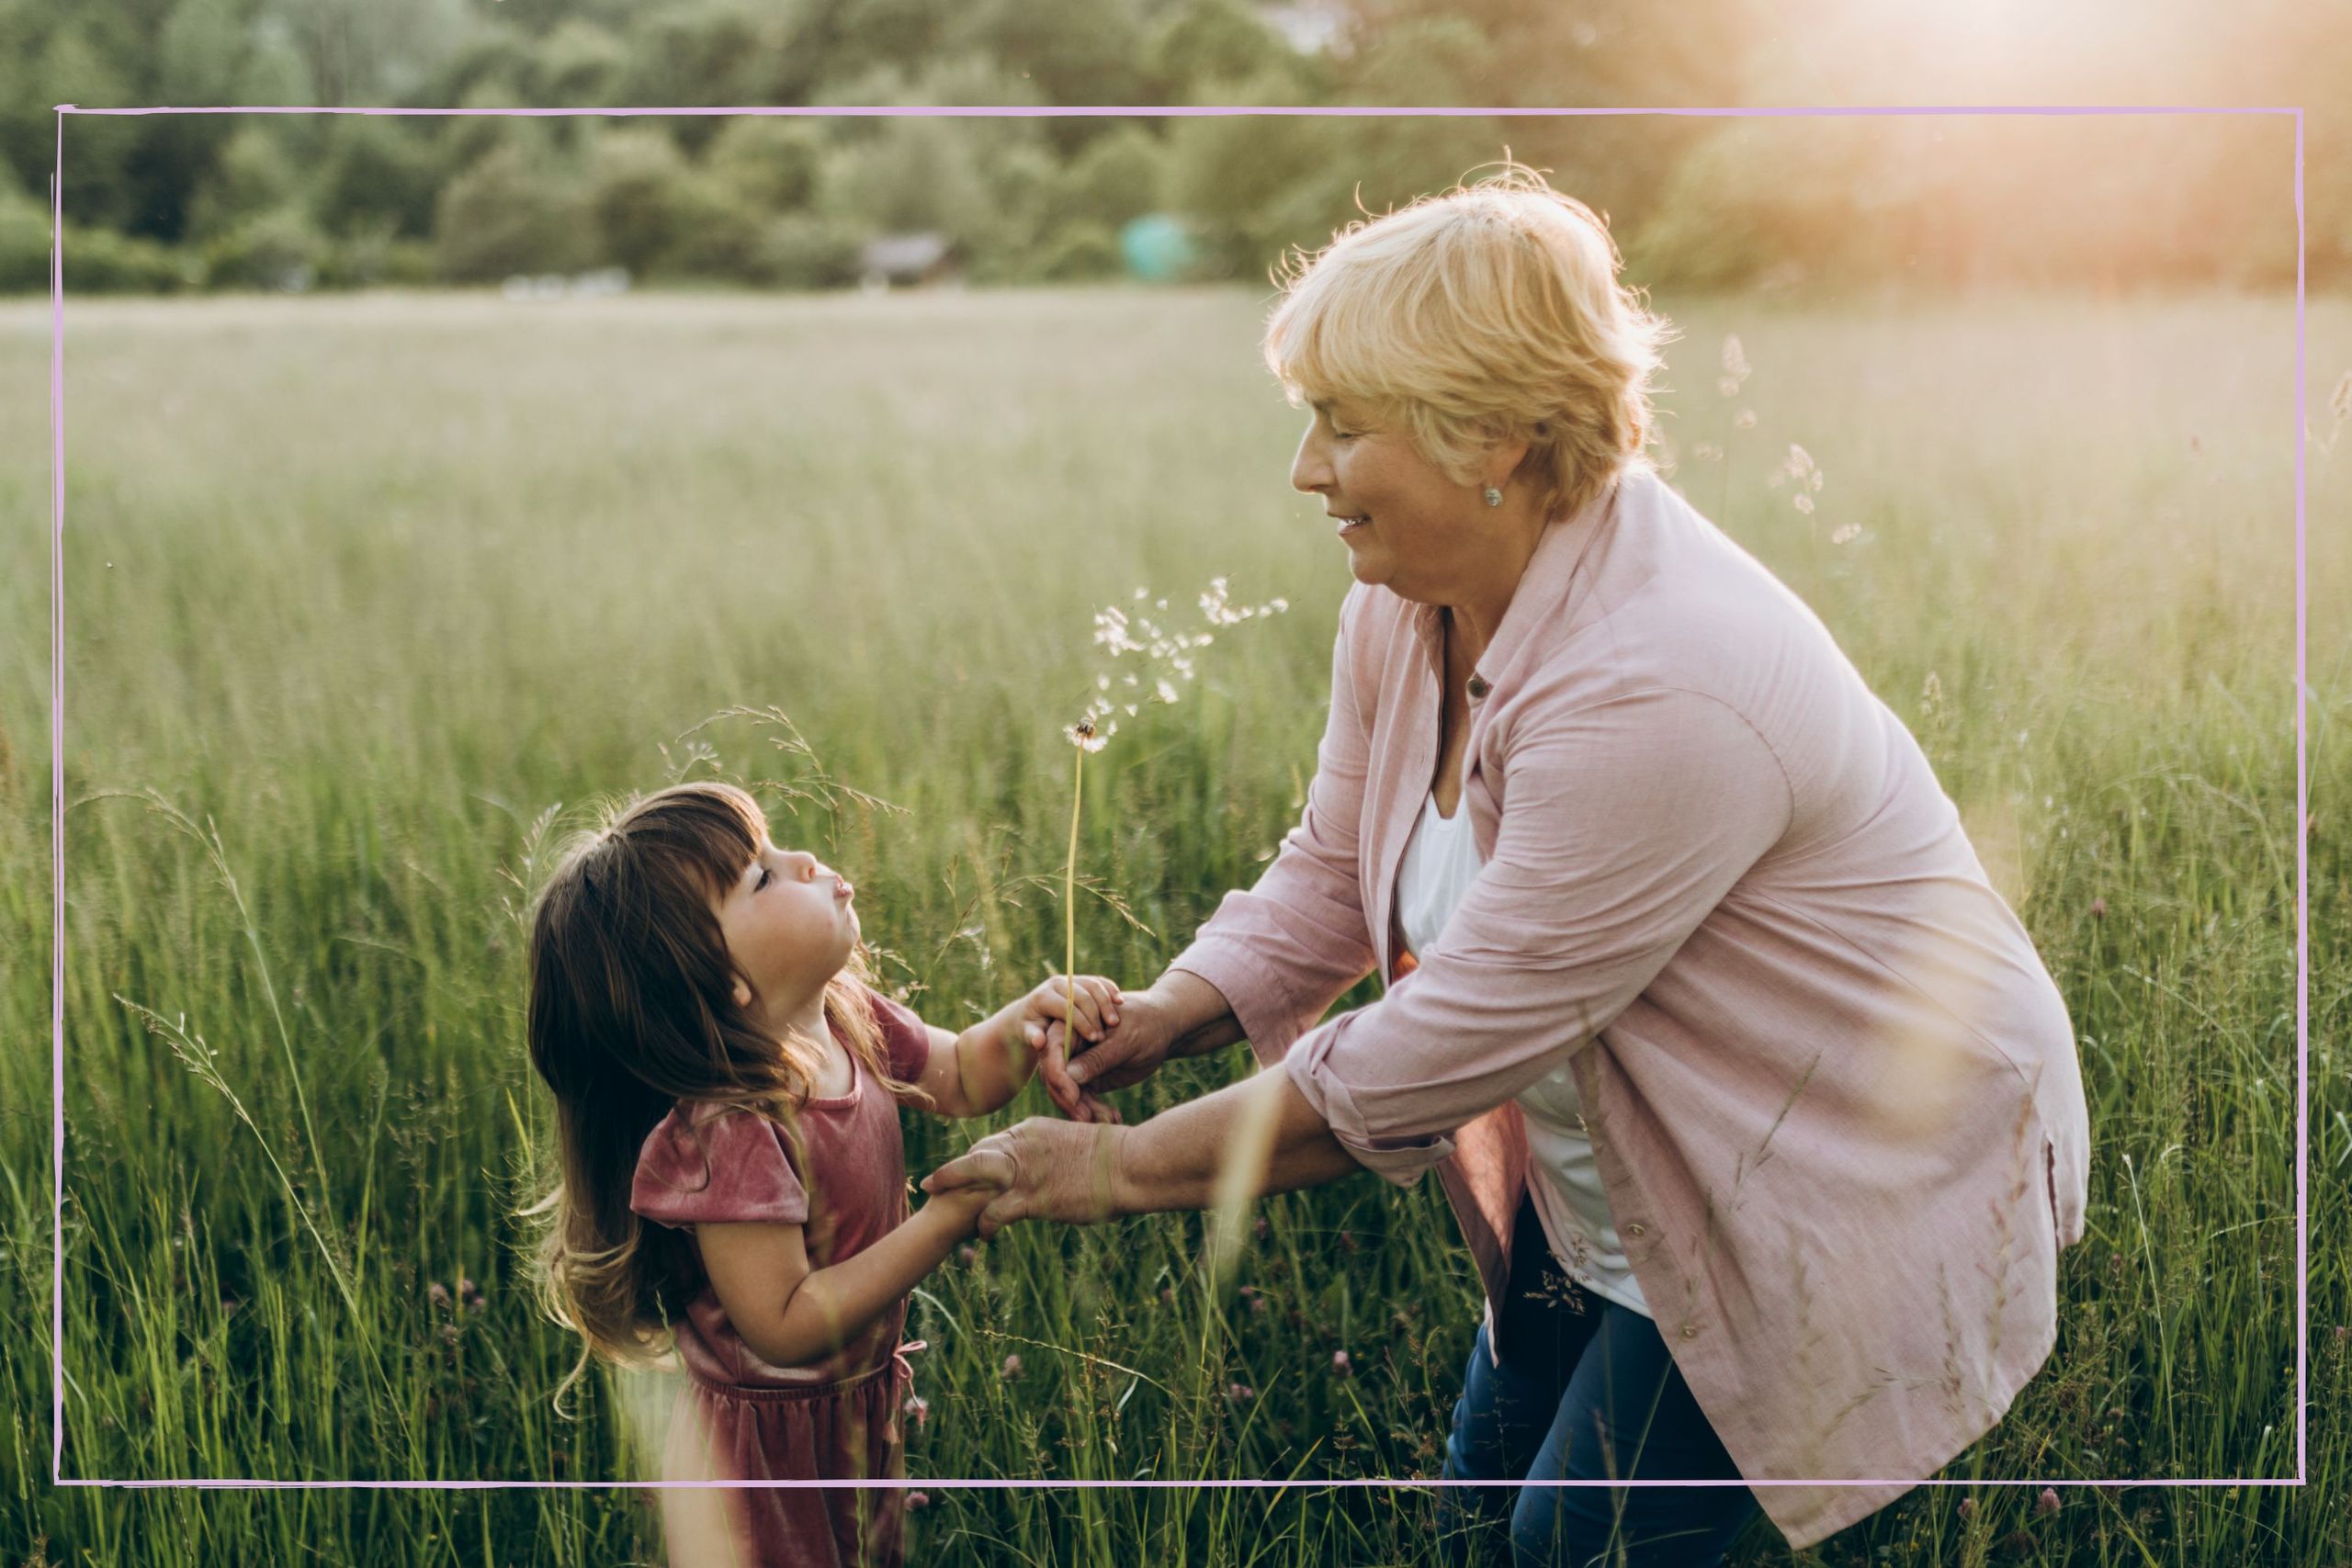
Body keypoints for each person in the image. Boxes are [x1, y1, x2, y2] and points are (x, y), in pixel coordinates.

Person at [924, 165, 2091, 1565]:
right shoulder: (1415, 600)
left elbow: (1426, 1054)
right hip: (1614, 1163)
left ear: (1491, 432)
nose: (1307, 468)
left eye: (1342, 426)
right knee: (1480, 1502)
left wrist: (1102, 1174)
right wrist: (1171, 1013)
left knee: (1568, 1546)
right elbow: (1329, 863)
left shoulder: (1661, 683)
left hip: (1827, 1165)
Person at [520, 779, 1114, 1567]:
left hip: (854, 1402)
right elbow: (788, 1322)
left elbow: (963, 1073)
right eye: (761, 876)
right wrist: (943, 1219)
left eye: (772, 848)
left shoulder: (844, 1016)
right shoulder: (733, 1127)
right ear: (723, 981)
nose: (801, 859)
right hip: (758, 1451)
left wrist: (1028, 1021)